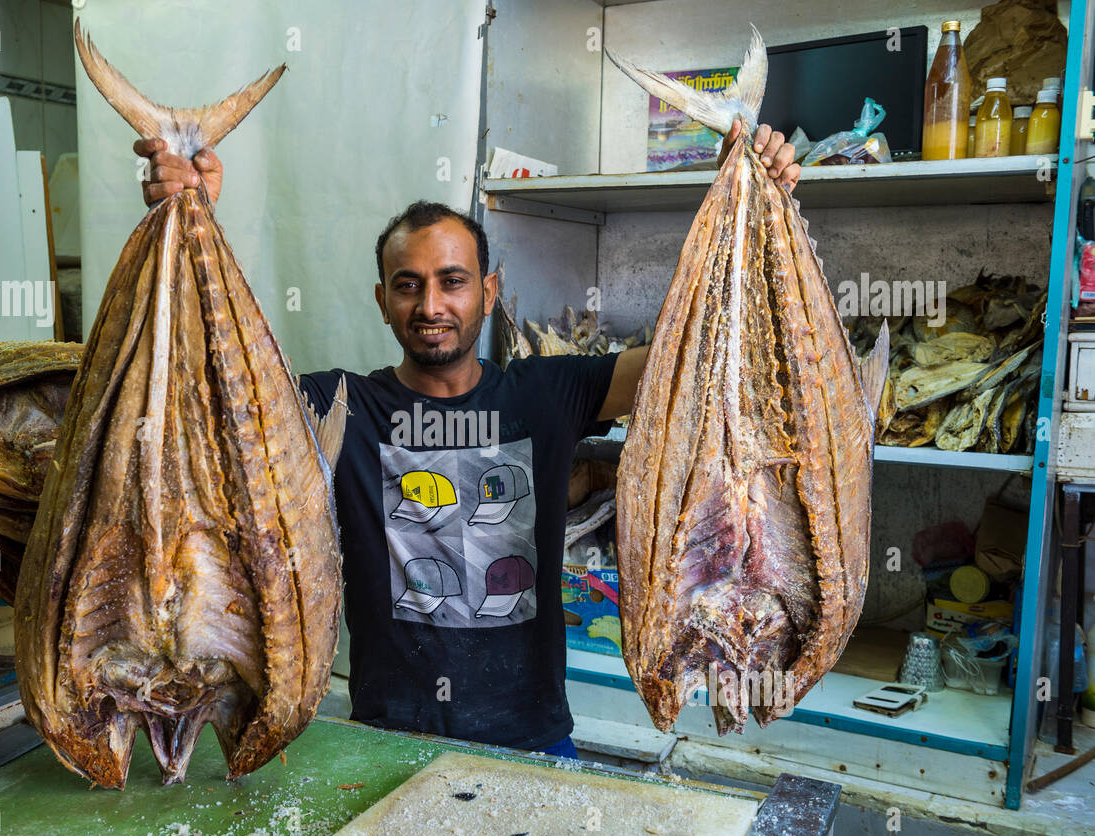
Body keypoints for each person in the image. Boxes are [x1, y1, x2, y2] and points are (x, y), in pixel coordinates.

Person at [134, 122, 800, 760]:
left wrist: (741, 211)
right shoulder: (341, 405)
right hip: (386, 743)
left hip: (533, 741)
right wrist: (191, 223)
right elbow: (202, 389)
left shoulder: (545, 394)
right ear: (381, 299)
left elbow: (693, 363)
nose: (431, 306)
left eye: (452, 282)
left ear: (487, 290)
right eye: (408, 285)